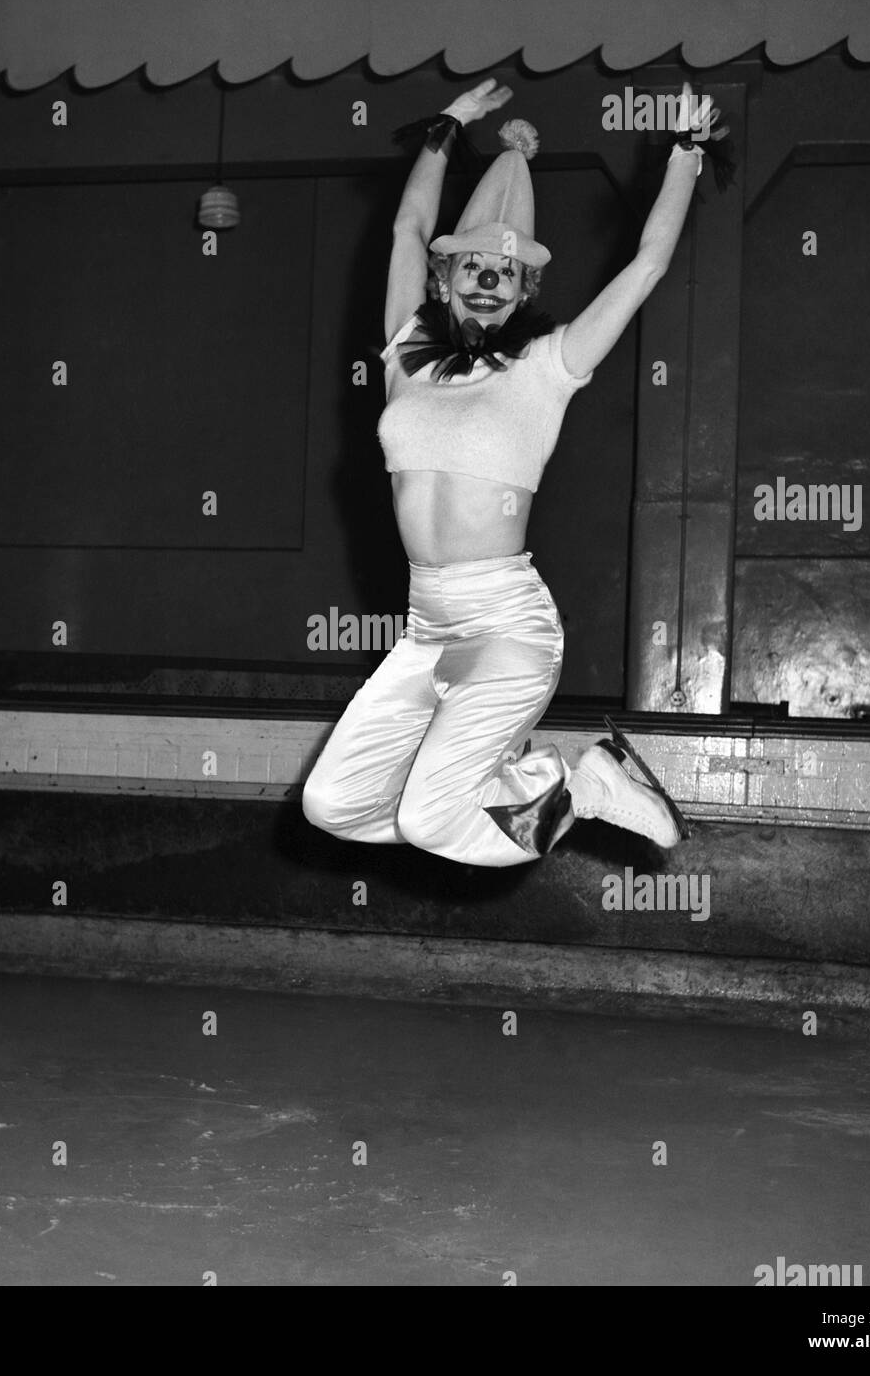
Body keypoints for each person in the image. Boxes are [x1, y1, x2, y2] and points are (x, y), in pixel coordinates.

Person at [303, 78, 718, 867]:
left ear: (523, 289)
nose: (487, 279)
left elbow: (648, 264)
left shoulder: (544, 365)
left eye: (506, 273)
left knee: (431, 822)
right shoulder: (404, 356)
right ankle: (501, 790)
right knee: (332, 805)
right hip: (427, 629)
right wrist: (447, 129)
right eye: (472, 267)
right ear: (444, 277)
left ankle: (581, 783)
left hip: (505, 625)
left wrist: (686, 155)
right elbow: (408, 224)